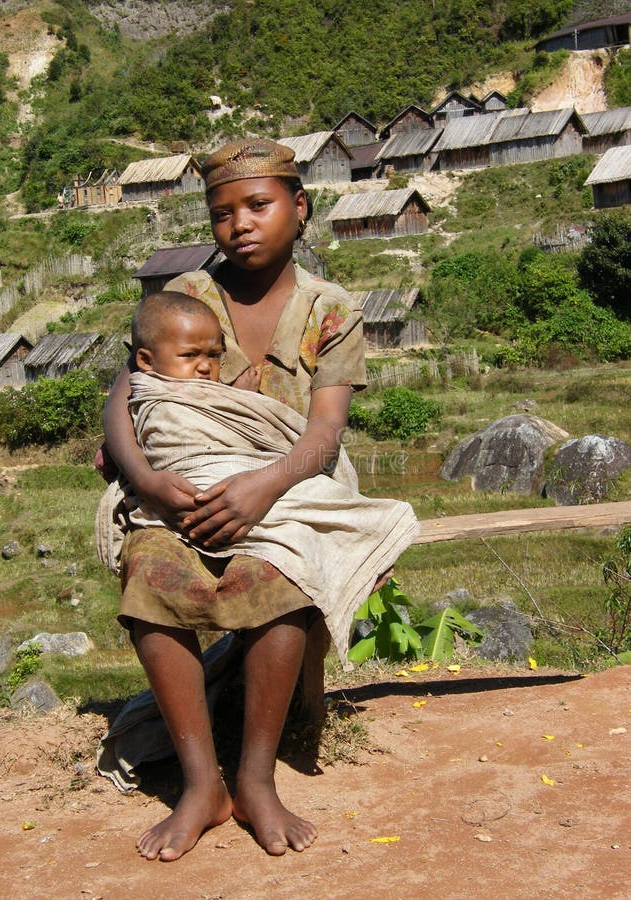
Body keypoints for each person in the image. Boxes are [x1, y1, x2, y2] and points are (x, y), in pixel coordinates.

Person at [101, 138, 413, 862]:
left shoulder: (329, 308)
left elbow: (324, 433)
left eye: (258, 205)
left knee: (284, 577)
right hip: (185, 488)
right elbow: (127, 396)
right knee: (148, 570)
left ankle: (256, 777)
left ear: (298, 209)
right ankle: (200, 782)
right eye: (220, 213)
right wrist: (147, 483)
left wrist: (262, 486)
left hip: (291, 485)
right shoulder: (187, 298)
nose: (239, 223)